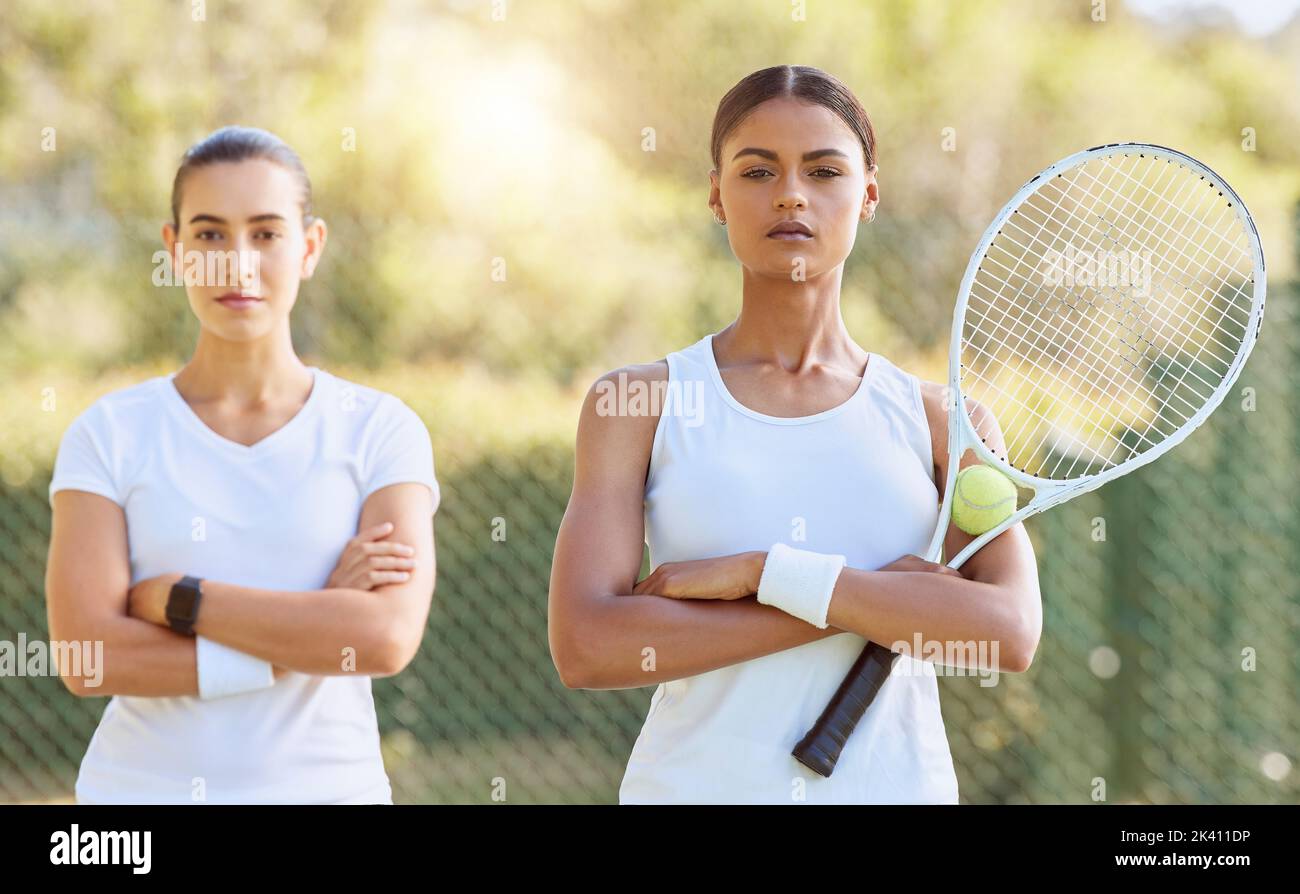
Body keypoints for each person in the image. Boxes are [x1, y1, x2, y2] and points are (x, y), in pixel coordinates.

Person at [548, 66, 1042, 804]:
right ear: (716, 193)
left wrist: (763, 573)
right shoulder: (636, 403)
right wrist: (867, 599)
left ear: (868, 194)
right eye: (757, 170)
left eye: (824, 170)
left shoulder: (948, 422)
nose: (790, 193)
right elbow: (588, 646)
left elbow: (1006, 633)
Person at [45, 126, 439, 804]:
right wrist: (309, 633)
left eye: (265, 233)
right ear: (173, 251)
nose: (237, 263)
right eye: (209, 235)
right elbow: (88, 658)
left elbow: (382, 637)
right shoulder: (110, 433)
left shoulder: (380, 430)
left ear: (309, 247)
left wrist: (181, 599)